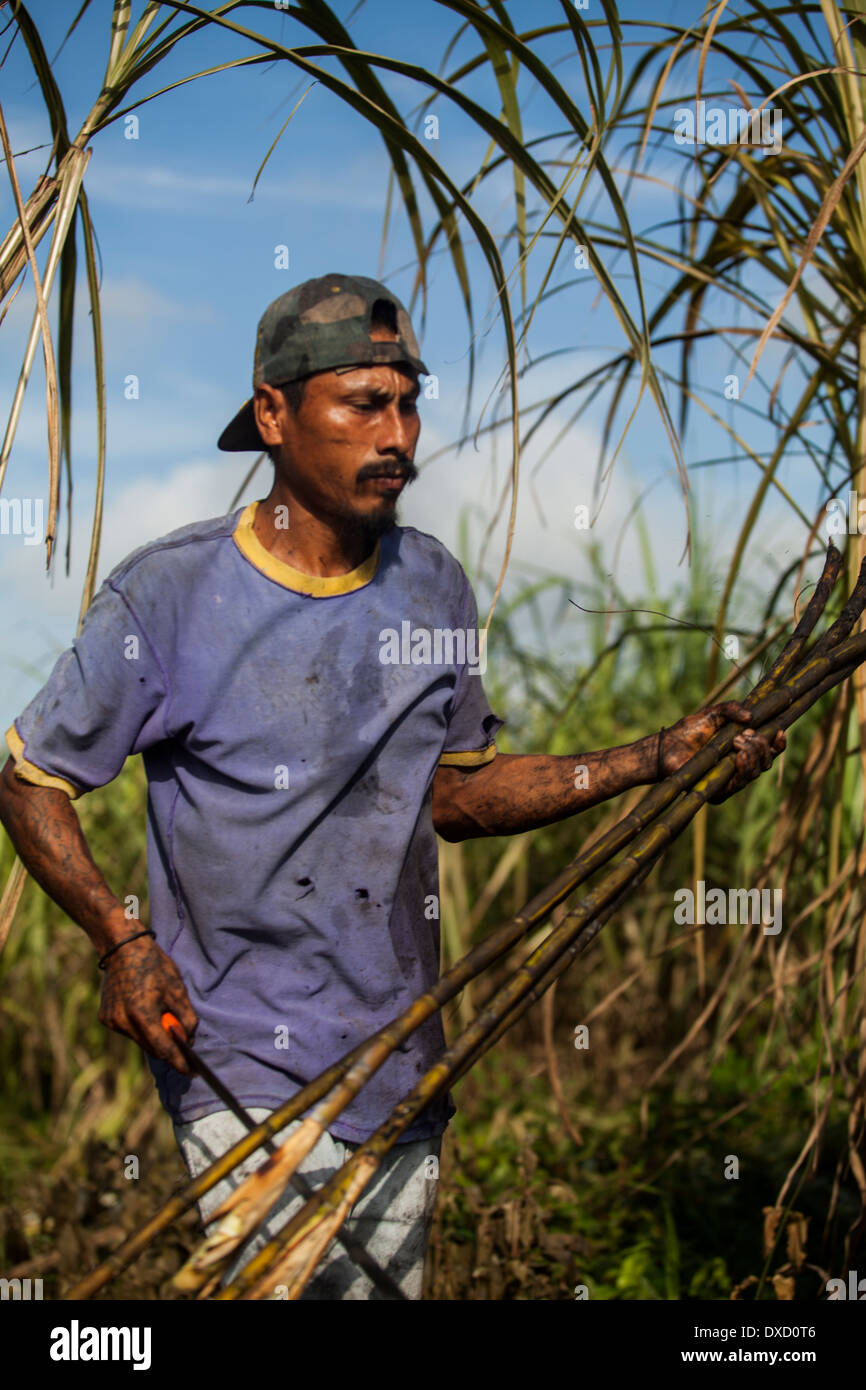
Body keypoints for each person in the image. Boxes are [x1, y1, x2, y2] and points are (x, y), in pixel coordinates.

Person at [0, 272, 784, 1300]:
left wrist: (649, 759)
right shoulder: (172, 593)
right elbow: (32, 777)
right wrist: (123, 940)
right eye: (363, 403)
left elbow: (454, 796)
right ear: (273, 414)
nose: (398, 435)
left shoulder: (431, 586)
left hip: (401, 1054)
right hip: (240, 1061)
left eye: (407, 404)